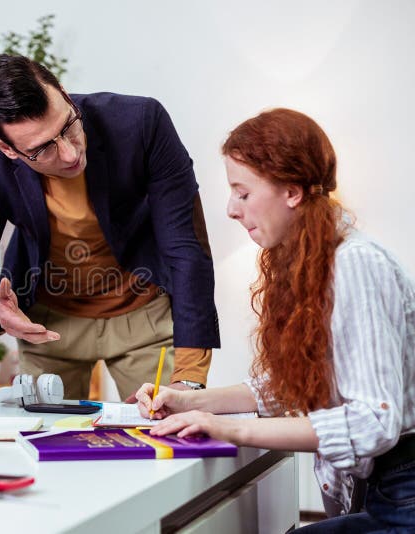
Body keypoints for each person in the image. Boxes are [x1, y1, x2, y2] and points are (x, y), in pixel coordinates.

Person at [136, 108, 414, 531]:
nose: (231, 210)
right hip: (385, 490)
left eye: (243, 193)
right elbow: (285, 388)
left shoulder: (356, 264)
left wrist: (232, 431)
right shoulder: (314, 263)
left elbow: (373, 421)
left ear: (292, 192)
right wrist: (190, 401)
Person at [0, 54, 219, 400]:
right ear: (7, 149)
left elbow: (185, 247)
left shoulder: (142, 122)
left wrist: (189, 378)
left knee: (167, 427)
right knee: (41, 433)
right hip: (47, 326)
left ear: (63, 92)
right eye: (43, 149)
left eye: (68, 126)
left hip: (145, 316)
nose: (70, 154)